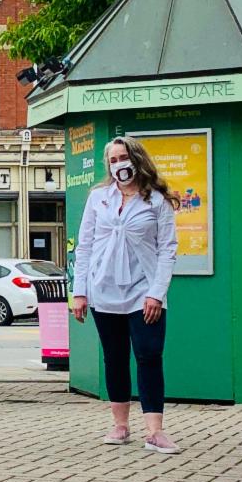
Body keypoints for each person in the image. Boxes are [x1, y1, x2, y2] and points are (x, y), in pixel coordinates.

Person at [73, 136, 180, 454]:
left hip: (143, 292)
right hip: (103, 291)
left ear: (137, 159)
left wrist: (156, 293)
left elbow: (167, 250)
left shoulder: (156, 201)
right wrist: (80, 292)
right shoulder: (98, 198)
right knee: (114, 358)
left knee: (148, 355)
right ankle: (120, 426)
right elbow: (85, 246)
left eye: (124, 157)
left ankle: (155, 431)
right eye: (113, 159)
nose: (119, 164)